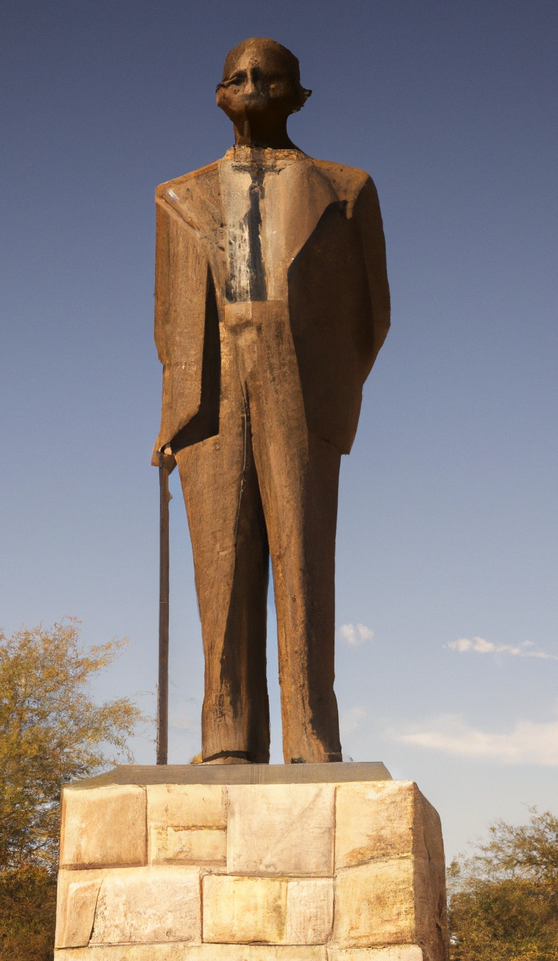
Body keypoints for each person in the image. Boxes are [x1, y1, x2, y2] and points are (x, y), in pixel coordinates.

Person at [153, 38, 389, 764]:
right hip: (212, 384)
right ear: (220, 94)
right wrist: (173, 412)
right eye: (239, 78)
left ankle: (311, 731)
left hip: (302, 379)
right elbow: (169, 317)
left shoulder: (347, 187)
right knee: (220, 568)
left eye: (269, 78)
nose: (253, 87)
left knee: (304, 558)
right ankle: (225, 733)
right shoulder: (177, 195)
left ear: (298, 96)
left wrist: (328, 384)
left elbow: (372, 311)